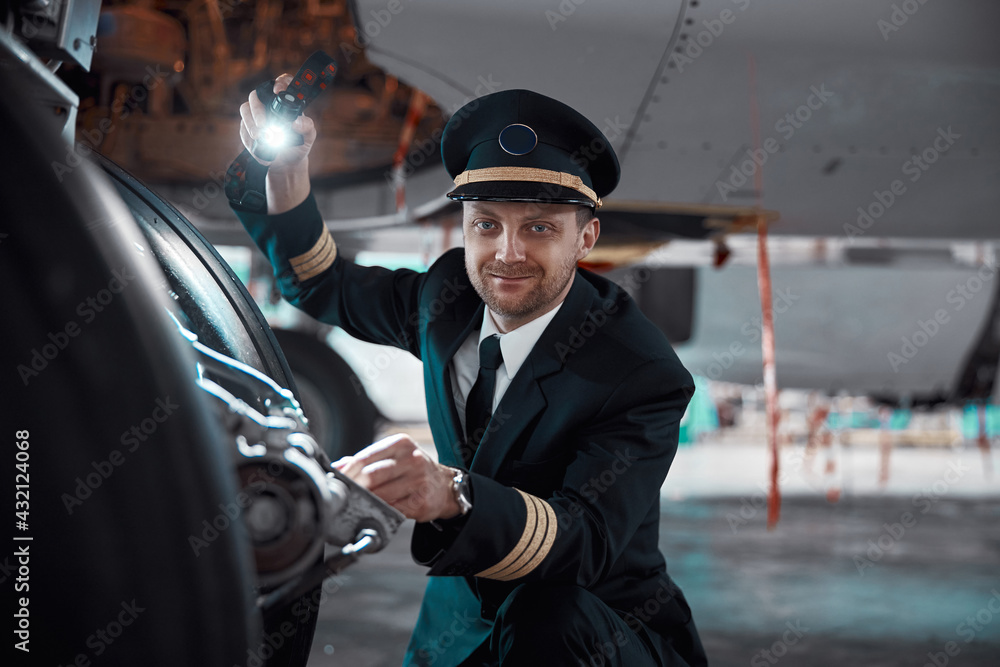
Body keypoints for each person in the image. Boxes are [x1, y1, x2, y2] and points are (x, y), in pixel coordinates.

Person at [234, 80, 707, 666]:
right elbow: (322, 283)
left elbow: (582, 542)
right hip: (458, 628)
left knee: (547, 612)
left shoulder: (638, 371)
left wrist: (452, 494)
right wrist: (286, 171)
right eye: (486, 224)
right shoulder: (448, 297)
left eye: (539, 228)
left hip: (592, 632)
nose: (507, 253)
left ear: (585, 237)